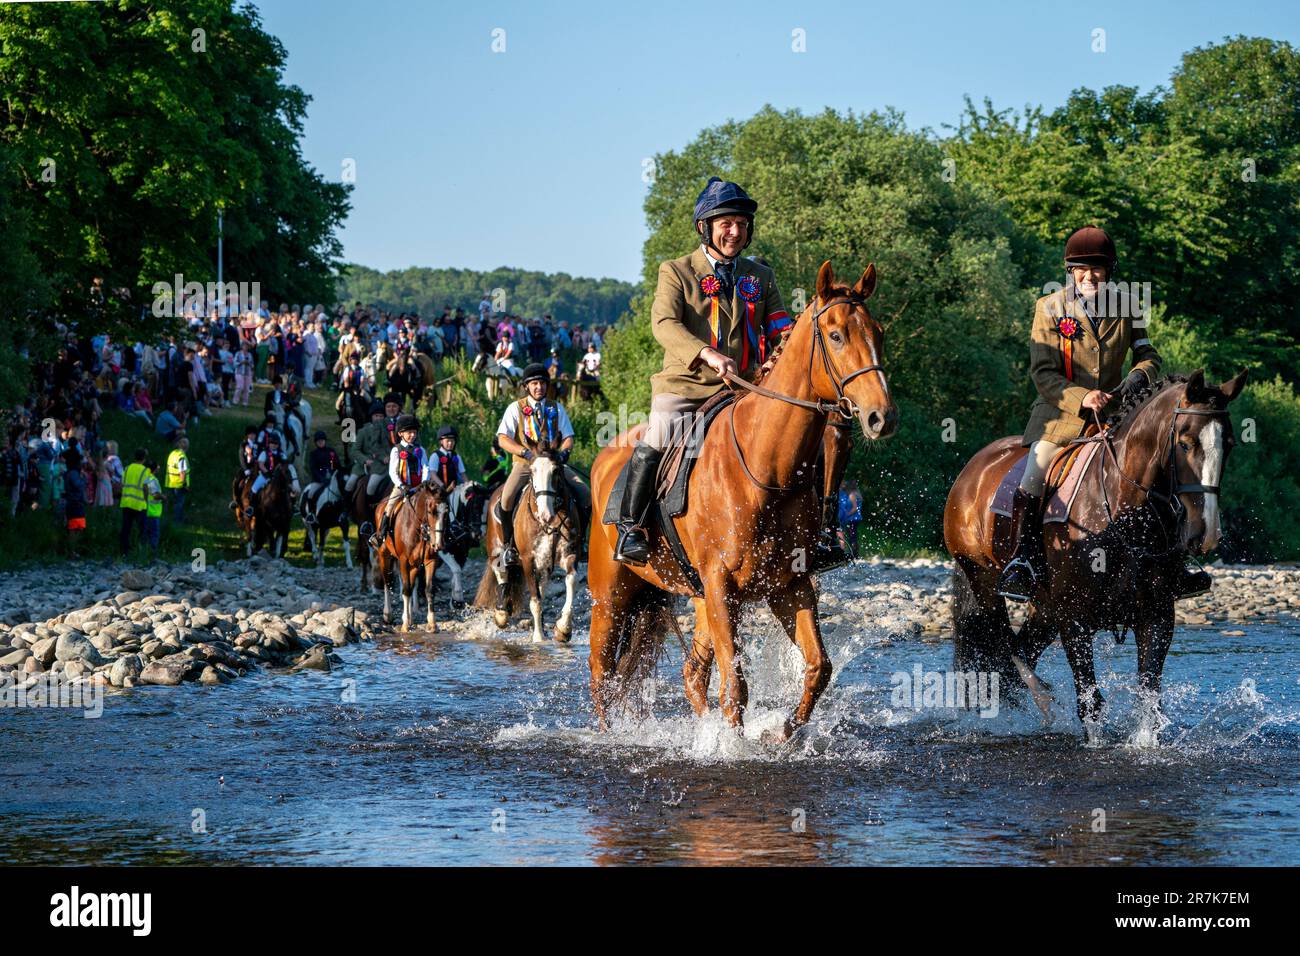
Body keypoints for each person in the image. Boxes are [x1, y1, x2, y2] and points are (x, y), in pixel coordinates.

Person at [995, 225, 1208, 601]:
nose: (1090, 276)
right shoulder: (1049, 307)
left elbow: (1148, 355)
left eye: (1097, 269)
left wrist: (1137, 378)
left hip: (1116, 418)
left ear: (1108, 272)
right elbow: (1042, 371)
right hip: (1058, 416)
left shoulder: (1126, 304)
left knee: (1167, 472)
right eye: (1082, 269)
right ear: (1070, 271)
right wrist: (1081, 396)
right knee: (1035, 472)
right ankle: (1023, 561)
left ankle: (1175, 565)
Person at [614, 176, 792, 564]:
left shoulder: (761, 276)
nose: (735, 231)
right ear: (705, 227)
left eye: (742, 224)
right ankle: (631, 528)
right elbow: (663, 323)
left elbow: (780, 325)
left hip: (744, 390)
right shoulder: (676, 271)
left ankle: (819, 530)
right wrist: (707, 354)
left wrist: (802, 342)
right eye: (727, 223)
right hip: (688, 386)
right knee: (660, 434)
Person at [493, 363, 592, 565]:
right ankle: (509, 546)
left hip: (553, 464)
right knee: (507, 498)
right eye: (535, 383)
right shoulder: (516, 408)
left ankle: (580, 542)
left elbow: (568, 438)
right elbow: (503, 438)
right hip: (525, 464)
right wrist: (523, 452)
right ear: (527, 386)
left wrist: (564, 454)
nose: (539, 387)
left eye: (542, 383)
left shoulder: (556, 408)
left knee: (585, 494)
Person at [369, 414, 430, 549]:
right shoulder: (396, 450)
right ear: (401, 433)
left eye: (414, 432)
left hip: (419, 487)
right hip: (402, 487)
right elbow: (393, 472)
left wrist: (424, 482)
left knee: (434, 505)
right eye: (409, 433)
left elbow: (425, 467)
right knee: (389, 506)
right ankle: (381, 535)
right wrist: (401, 486)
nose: (412, 435)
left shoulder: (421, 450)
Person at [119, 447, 150, 556]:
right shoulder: (145, 471)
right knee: (142, 529)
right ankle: (141, 551)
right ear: (144, 459)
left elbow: (122, 484)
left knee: (126, 528)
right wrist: (146, 500)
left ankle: (125, 551)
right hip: (139, 504)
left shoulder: (127, 468)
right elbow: (145, 487)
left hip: (126, 502)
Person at [302, 430, 343, 512]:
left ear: (325, 441)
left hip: (332, 479)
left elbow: (337, 464)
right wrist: (321, 479)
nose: (320, 442)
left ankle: (344, 511)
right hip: (319, 480)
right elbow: (313, 469)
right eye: (318, 441)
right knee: (311, 494)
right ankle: (311, 513)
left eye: (322, 440)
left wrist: (334, 473)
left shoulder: (331, 451)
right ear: (316, 442)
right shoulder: (313, 454)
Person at [62, 449, 87, 558]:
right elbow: (78, 485)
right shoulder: (73, 473)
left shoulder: (70, 472)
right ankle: (71, 551)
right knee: (74, 528)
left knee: (78, 528)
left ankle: (72, 550)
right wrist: (84, 479)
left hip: (75, 503)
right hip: (75, 503)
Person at [431, 424, 467, 489]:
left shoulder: (457, 456)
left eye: (452, 441)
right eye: (448, 441)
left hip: (454, 489)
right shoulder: (435, 456)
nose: (450, 443)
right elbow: (433, 474)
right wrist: (442, 485)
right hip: (439, 489)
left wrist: (468, 486)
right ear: (441, 441)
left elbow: (462, 474)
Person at [165, 436, 190, 523]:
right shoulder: (181, 456)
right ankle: (177, 523)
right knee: (179, 504)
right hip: (179, 484)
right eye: (185, 442)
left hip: (170, 483)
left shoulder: (172, 454)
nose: (187, 444)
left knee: (174, 503)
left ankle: (173, 521)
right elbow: (182, 471)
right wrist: (185, 484)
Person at [837, 478, 863, 560]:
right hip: (855, 518)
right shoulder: (857, 494)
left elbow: (855, 508)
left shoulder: (851, 495)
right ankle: (854, 554)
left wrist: (847, 514)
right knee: (853, 536)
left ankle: (854, 555)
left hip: (852, 519)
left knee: (851, 537)